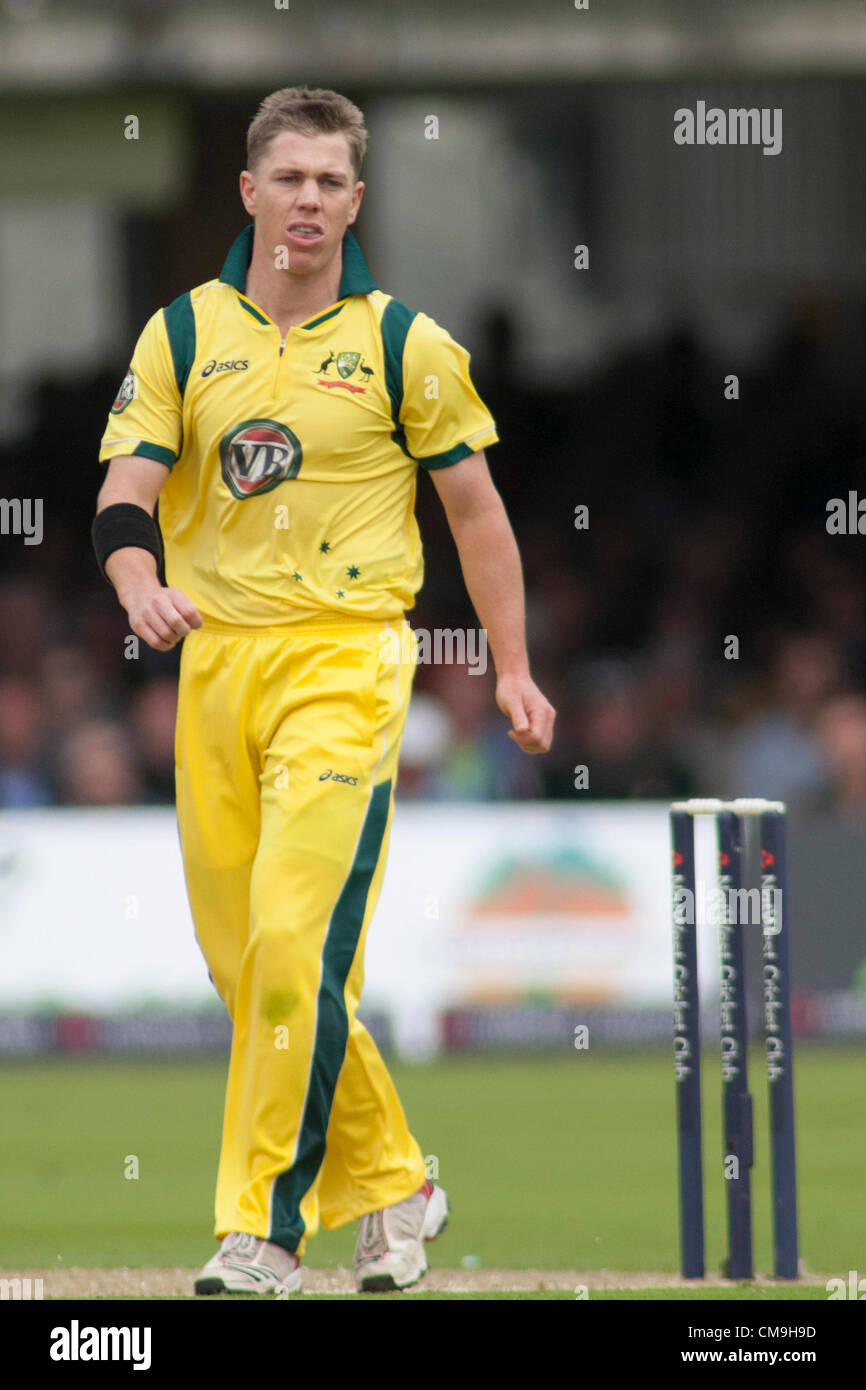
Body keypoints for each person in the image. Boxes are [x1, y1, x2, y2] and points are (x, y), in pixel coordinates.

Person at [92, 85, 555, 1296]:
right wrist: (137, 583)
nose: (306, 200)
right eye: (285, 178)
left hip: (345, 660)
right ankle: (399, 1181)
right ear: (248, 193)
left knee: (293, 941)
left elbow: (477, 516)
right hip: (214, 661)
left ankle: (263, 1230)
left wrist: (509, 664)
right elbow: (124, 492)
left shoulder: (405, 343)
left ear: (357, 199)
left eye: (328, 182)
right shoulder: (182, 334)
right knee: (247, 966)